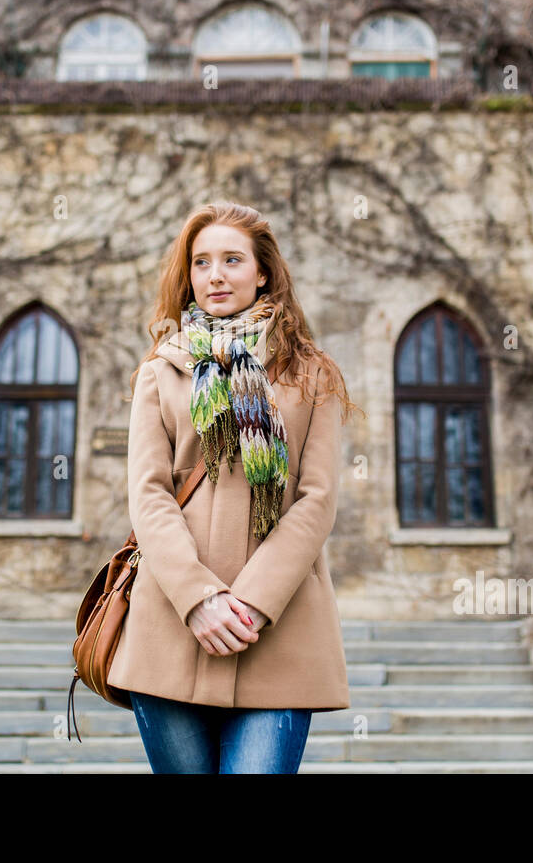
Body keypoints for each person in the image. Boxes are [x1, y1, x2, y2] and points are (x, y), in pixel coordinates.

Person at [107, 200, 362, 774]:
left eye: (231, 260)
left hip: (276, 631)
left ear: (262, 271)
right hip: (171, 627)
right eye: (201, 263)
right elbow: (149, 495)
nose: (215, 275)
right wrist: (199, 599)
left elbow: (315, 500)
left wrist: (248, 602)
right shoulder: (160, 370)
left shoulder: (311, 373)